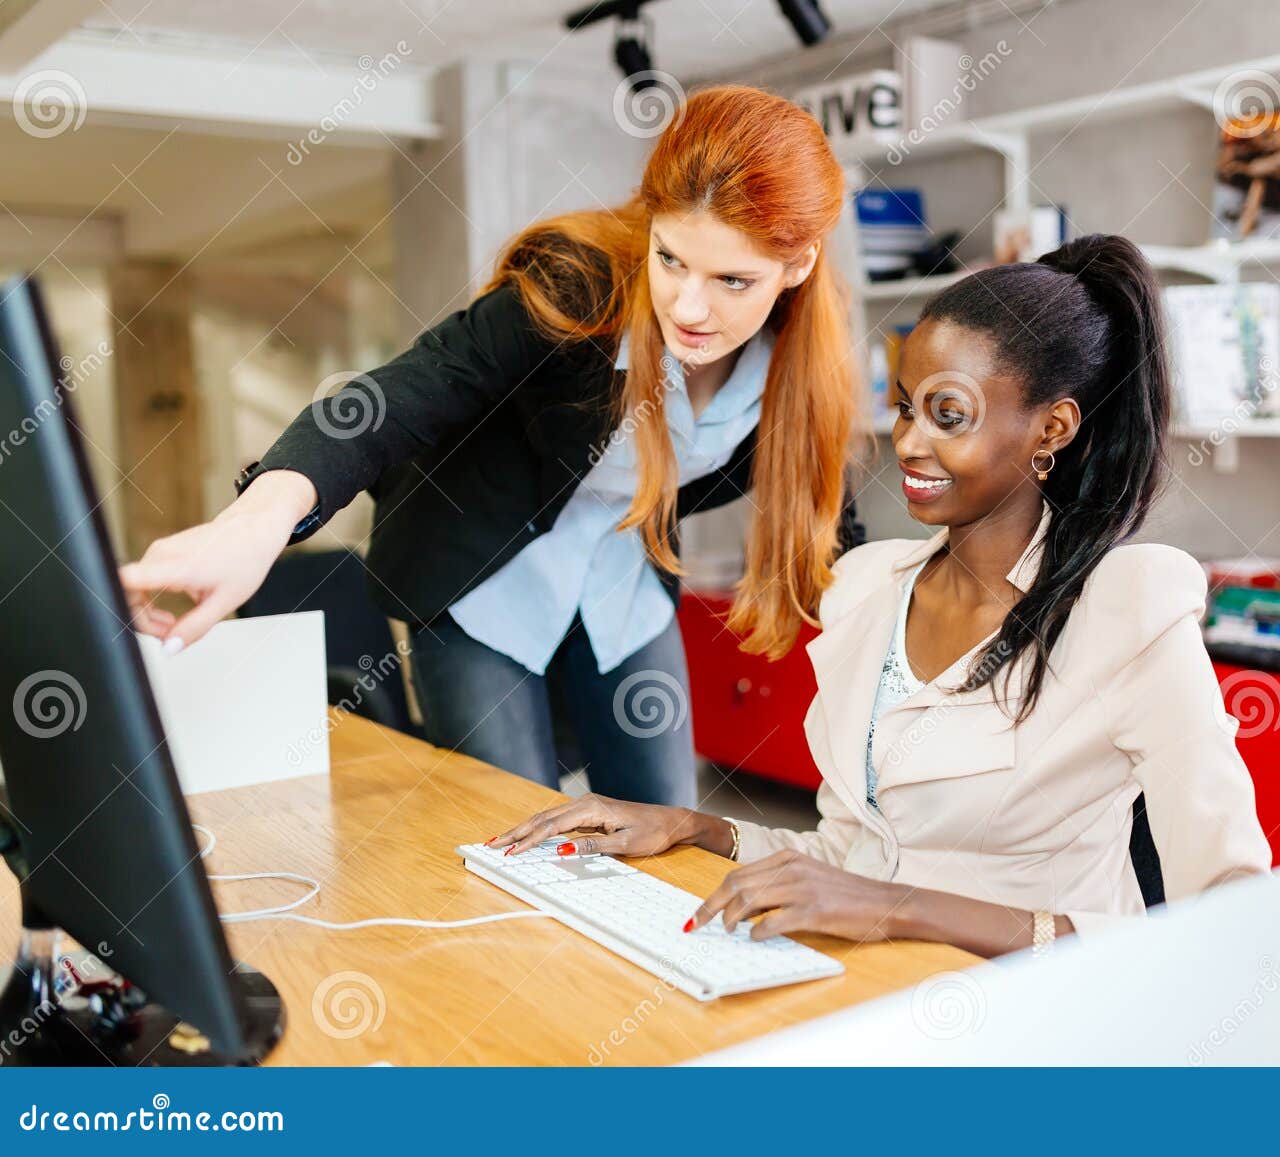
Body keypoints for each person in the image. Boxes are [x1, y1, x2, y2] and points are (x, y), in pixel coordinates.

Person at [486, 233, 1274, 956]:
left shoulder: (1128, 614)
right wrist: (694, 827)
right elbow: (848, 859)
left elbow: (1232, 929)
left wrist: (899, 909)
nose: (908, 440)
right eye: (904, 405)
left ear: (1052, 429)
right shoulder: (871, 590)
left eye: (948, 414)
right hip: (863, 993)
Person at [118, 85, 866, 807]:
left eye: (733, 279)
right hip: (482, 576)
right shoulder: (580, 287)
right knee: (514, 824)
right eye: (671, 258)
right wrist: (258, 523)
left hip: (621, 586)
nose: (690, 307)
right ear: (651, 223)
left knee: (666, 816)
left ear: (796, 266)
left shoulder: (799, 368)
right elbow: (398, 395)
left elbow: (837, 516)